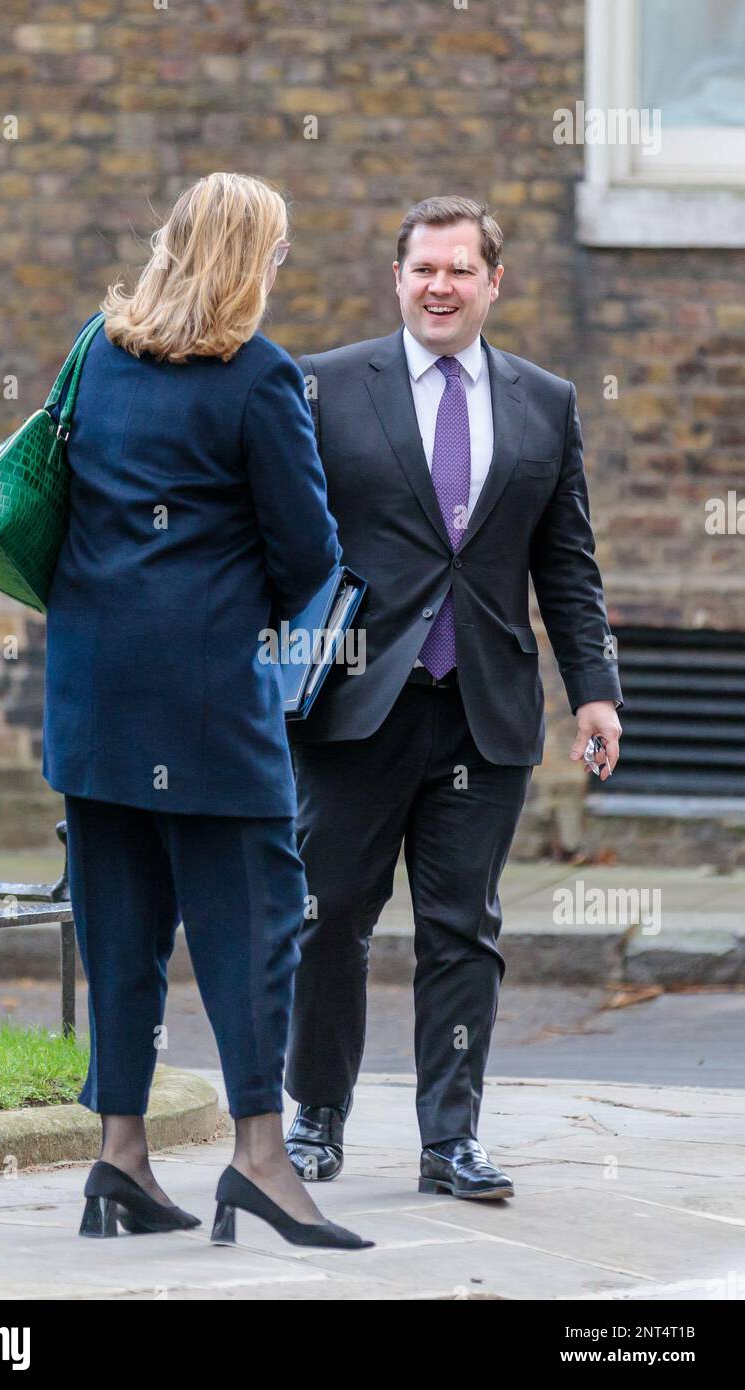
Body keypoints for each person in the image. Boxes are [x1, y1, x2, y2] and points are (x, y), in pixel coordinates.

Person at [42, 171, 372, 1251]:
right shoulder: (258, 379)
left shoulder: (96, 353)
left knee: (119, 930)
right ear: (242, 265)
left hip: (92, 694)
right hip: (207, 706)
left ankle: (119, 1155)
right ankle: (260, 1159)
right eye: (272, 256)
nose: (279, 275)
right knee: (252, 927)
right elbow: (309, 555)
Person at [284, 194, 623, 1200]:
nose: (438, 286)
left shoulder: (543, 401)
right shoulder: (323, 386)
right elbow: (284, 541)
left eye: (458, 270)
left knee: (461, 928)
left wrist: (592, 692)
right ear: (397, 278)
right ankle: (315, 1118)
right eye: (421, 269)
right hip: (353, 706)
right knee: (329, 914)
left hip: (484, 710)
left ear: (492, 281)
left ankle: (448, 1139)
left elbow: (566, 564)